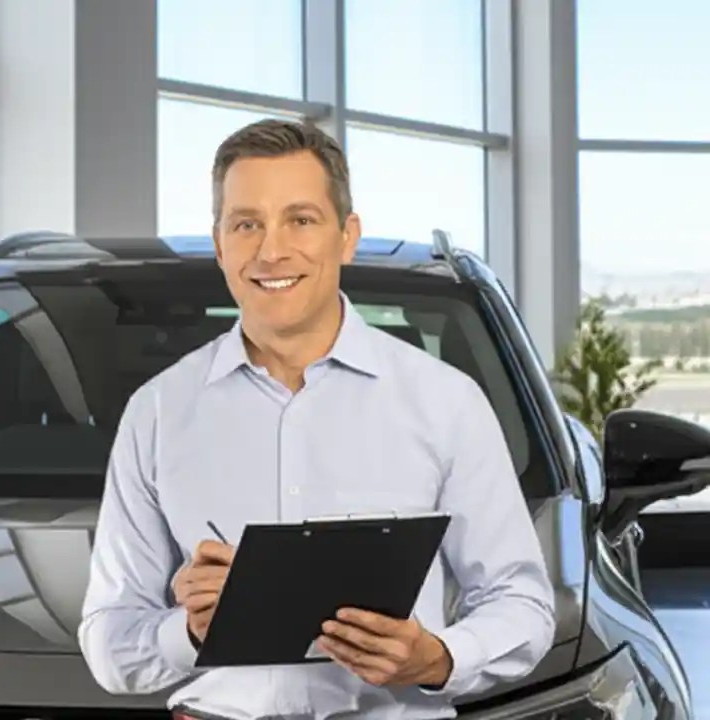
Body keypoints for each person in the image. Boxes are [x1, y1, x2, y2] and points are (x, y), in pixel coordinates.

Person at [77, 119, 556, 719]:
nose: (271, 250)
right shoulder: (158, 411)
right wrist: (191, 632)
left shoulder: (445, 402)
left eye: (300, 220)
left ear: (346, 236)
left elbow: (523, 603)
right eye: (247, 223)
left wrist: (435, 658)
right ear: (220, 243)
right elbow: (108, 641)